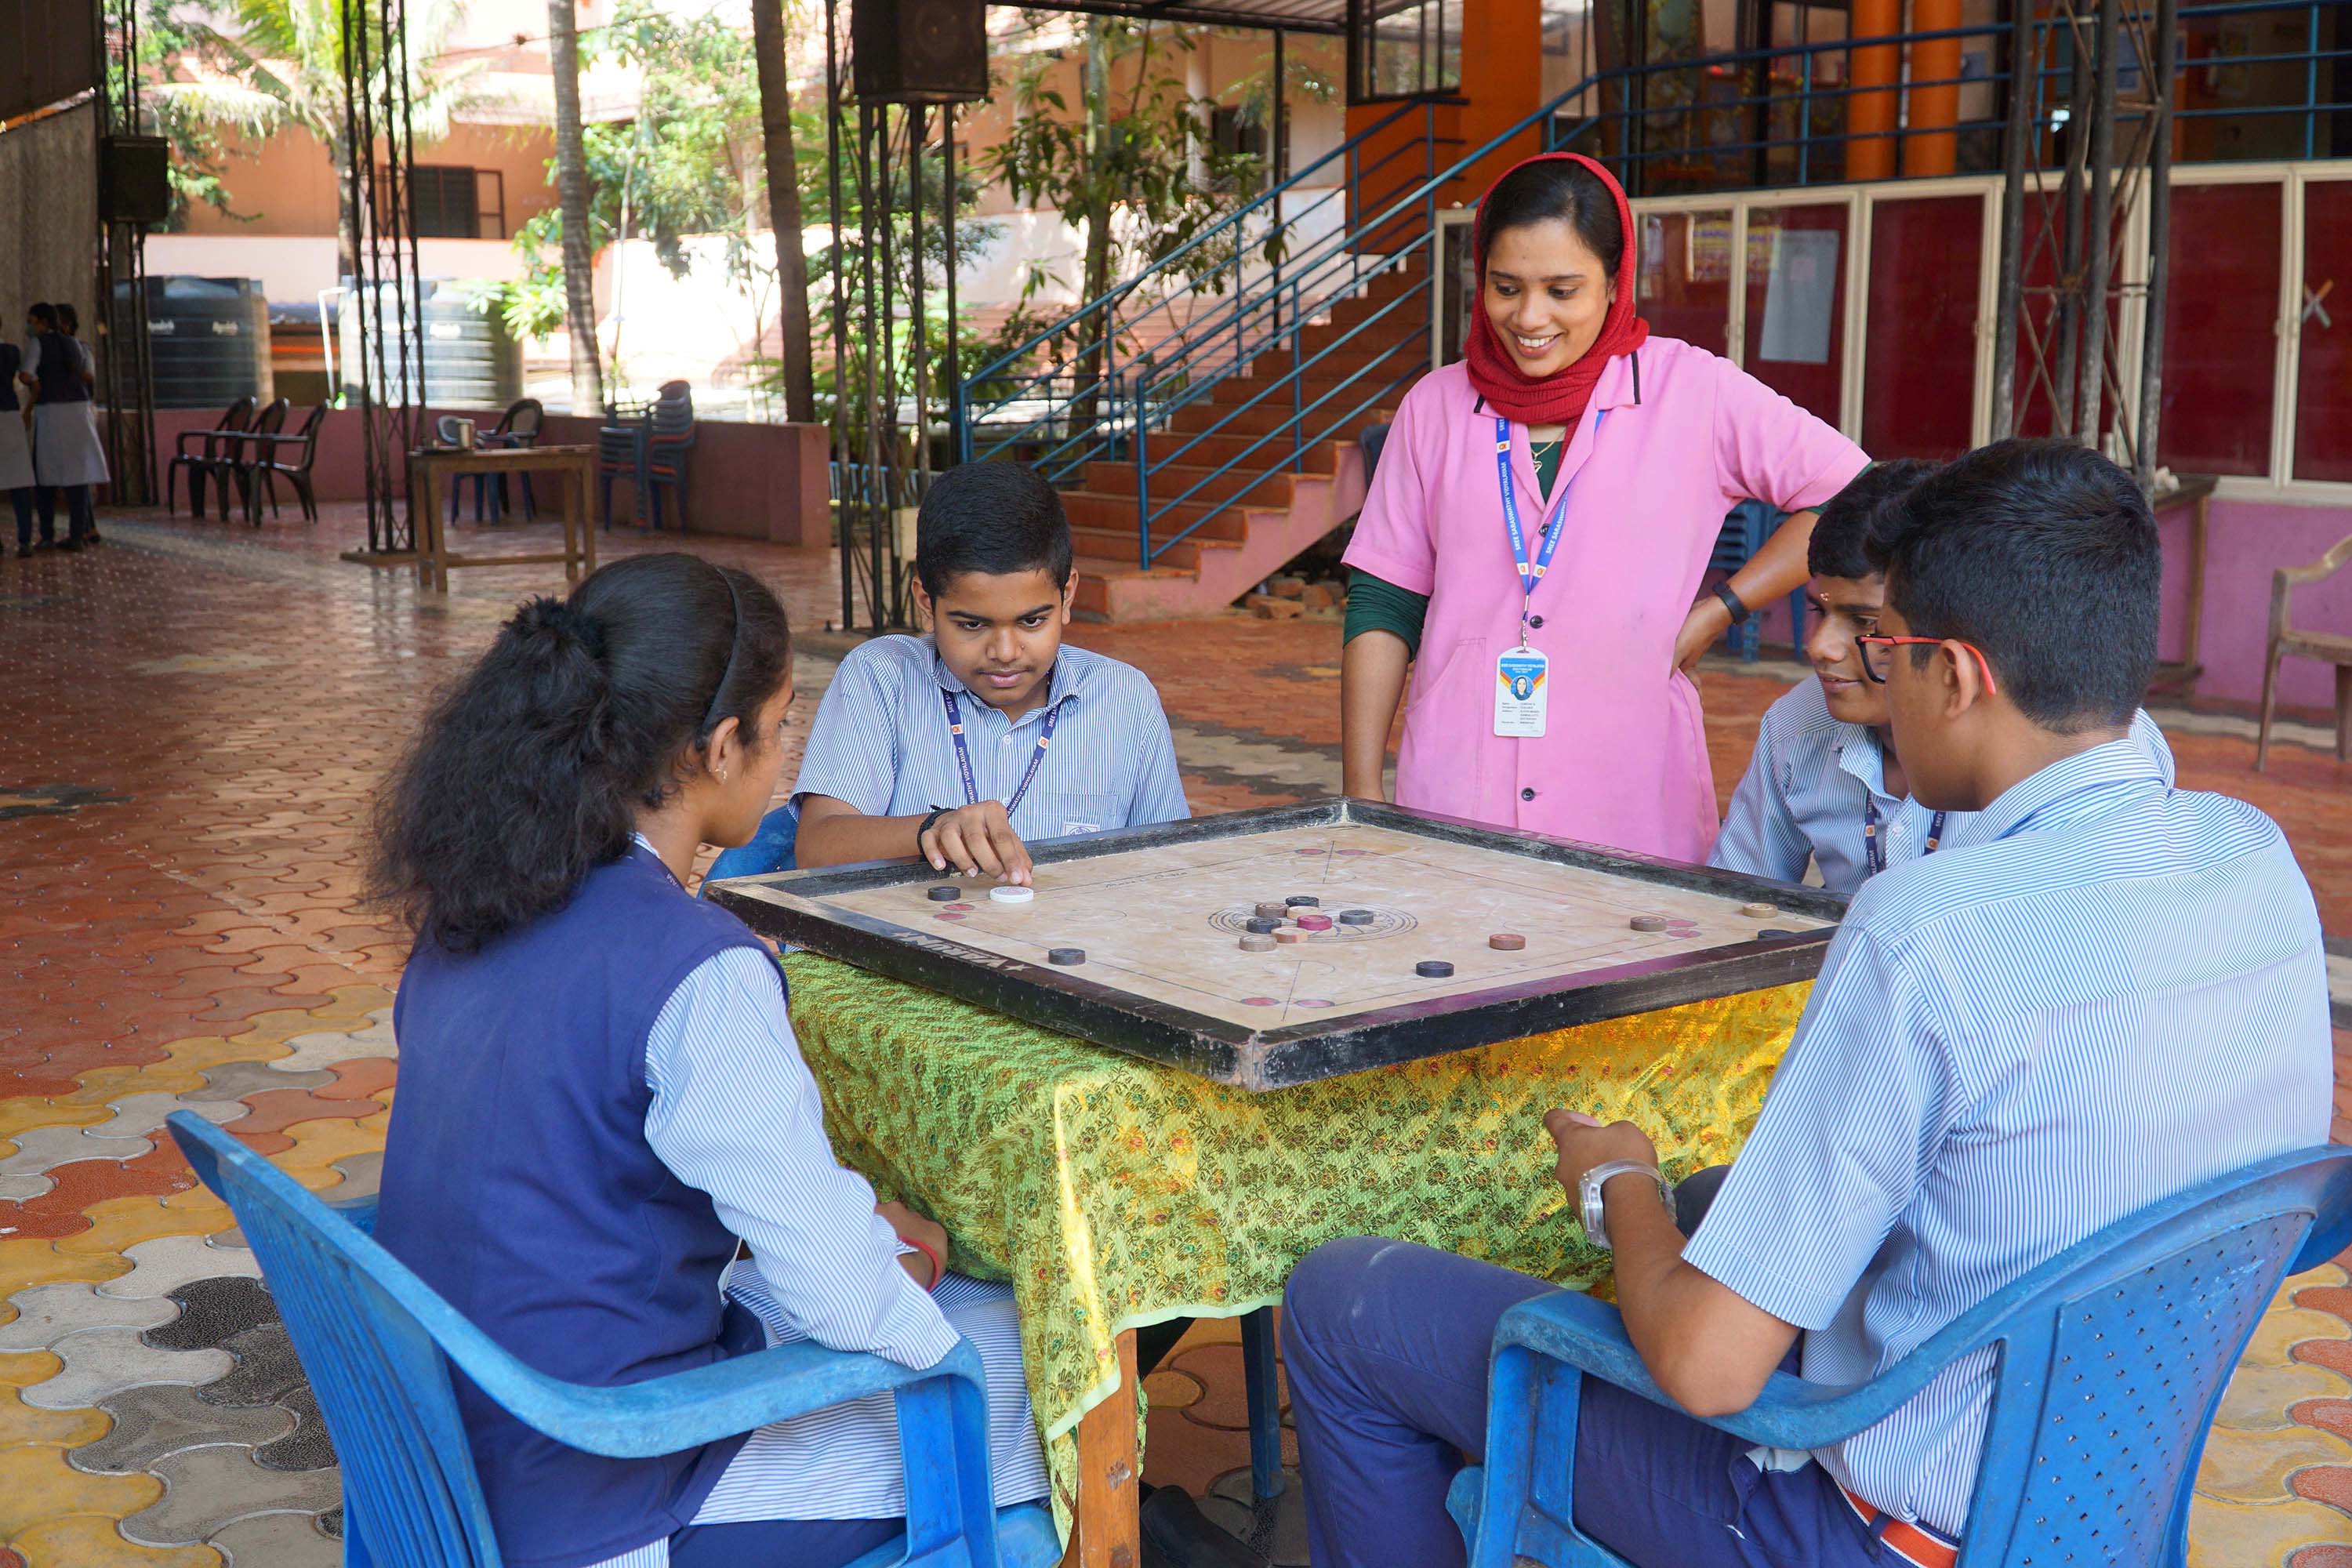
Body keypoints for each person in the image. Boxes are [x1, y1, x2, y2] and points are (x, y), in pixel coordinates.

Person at [1282, 438, 2332, 1568]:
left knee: (1344, 1303)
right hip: (2096, 1501)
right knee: (1715, 1199)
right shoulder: (2256, 858)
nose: (1862, 675)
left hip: (1860, 1534)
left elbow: (1706, 1365)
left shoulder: (1927, 928)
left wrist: (1617, 1186)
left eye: (1887, 648)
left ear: (1959, 675)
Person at [368, 554, 1047, 1568]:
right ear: (722, 747)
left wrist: (851, 1232)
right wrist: (886, 1265)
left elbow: (582, 1158)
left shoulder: (476, 905)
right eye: (780, 729)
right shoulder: (701, 971)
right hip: (607, 1486)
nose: (783, 758)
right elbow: (844, 1302)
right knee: (1029, 1377)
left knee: (901, 1292)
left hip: (453, 1426)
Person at [1339, 154, 1870, 863]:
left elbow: (1852, 492)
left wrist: (1721, 610)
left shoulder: (1694, 391)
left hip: (1627, 796)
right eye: (1505, 288)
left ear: (1617, 283)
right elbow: (1384, 599)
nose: (1529, 318)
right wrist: (1362, 791)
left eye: (1562, 290)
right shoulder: (1434, 408)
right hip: (1453, 792)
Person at [1708, 459, 2178, 895]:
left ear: (1952, 647)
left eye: (1867, 624)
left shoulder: (2088, 740)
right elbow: (1738, 901)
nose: (1820, 648)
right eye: (1818, 610)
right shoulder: (1795, 725)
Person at [794, 459, 1191, 884]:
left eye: (1032, 622)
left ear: (1068, 596)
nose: (1005, 652)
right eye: (972, 625)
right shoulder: (881, 679)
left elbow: (1170, 862)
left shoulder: (1125, 698)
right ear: (927, 605)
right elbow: (817, 847)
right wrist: (932, 829)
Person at [19, 302, 107, 552]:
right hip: (78, 413)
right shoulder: (76, 344)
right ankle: (77, 536)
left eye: (32, 321)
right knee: (77, 478)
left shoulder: (39, 343)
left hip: (52, 413)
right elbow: (85, 376)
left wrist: (33, 385)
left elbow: (26, 374)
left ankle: (47, 536)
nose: (30, 326)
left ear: (44, 322)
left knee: (46, 476)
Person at [0, 321, 33, 556]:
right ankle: (25, 540)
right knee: (19, 483)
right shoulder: (12, 352)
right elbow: (27, 379)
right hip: (11, 416)